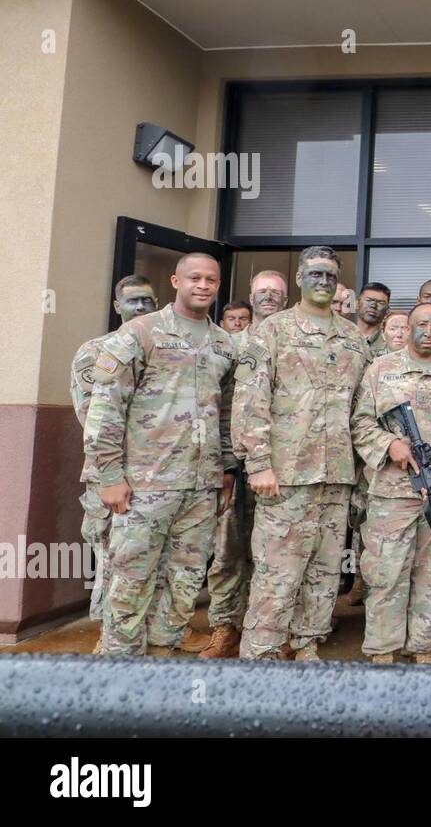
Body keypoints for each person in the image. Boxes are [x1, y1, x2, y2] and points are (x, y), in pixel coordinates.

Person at [83, 254, 237, 656]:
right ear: (175, 281)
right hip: (145, 486)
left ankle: (159, 670)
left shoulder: (223, 343)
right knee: (130, 584)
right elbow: (105, 408)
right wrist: (110, 475)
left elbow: (225, 412)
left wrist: (226, 470)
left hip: (200, 489)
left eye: (211, 279)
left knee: (183, 586)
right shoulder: (140, 333)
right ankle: (118, 678)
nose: (203, 285)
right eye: (195, 278)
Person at [233, 246, 369, 661]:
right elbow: (250, 399)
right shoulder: (271, 332)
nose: (323, 282)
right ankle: (262, 653)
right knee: (277, 570)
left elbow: (364, 405)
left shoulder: (354, 337)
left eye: (330, 275)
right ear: (300, 279)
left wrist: (362, 463)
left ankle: (307, 644)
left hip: (337, 473)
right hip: (285, 474)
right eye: (315, 274)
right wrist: (257, 463)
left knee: (325, 570)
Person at [350, 302, 431, 664]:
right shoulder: (380, 370)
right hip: (393, 491)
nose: (429, 331)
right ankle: (383, 650)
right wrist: (391, 445)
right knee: (387, 574)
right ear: (407, 326)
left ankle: (424, 648)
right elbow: (360, 423)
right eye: (421, 324)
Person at [200, 268, 291, 659]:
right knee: (228, 552)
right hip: (235, 466)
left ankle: (271, 631)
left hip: (285, 467)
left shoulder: (295, 340)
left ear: (285, 299)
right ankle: (225, 626)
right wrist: (223, 463)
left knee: (277, 556)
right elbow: (212, 405)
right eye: (262, 291)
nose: (269, 297)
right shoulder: (228, 345)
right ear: (250, 297)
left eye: (276, 292)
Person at [70, 274, 157, 653]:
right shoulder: (96, 352)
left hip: (158, 477)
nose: (141, 308)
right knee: (113, 560)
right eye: (134, 301)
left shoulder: (165, 348)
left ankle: (144, 638)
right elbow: (94, 415)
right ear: (117, 306)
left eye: (148, 301)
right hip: (113, 475)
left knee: (150, 559)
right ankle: (108, 642)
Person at [356, 283, 391, 356]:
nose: (373, 306)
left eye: (380, 303)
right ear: (357, 303)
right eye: (368, 300)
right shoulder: (340, 337)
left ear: (387, 310)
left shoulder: (390, 343)